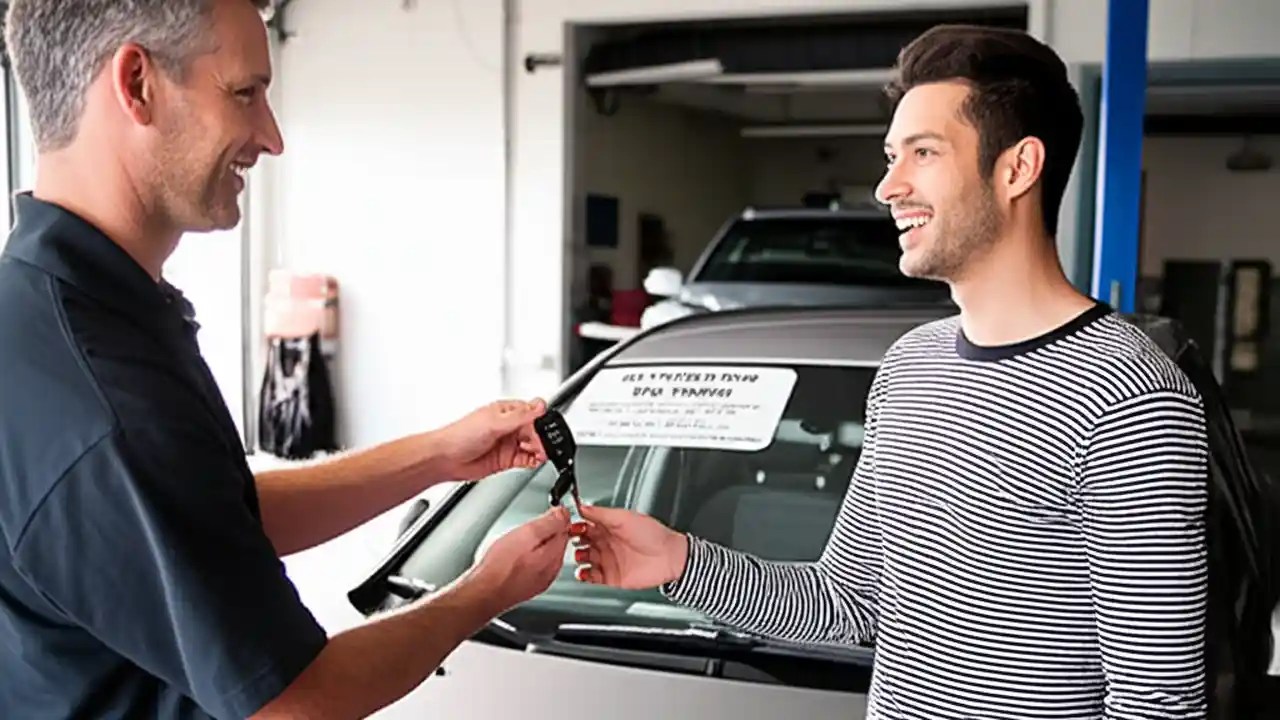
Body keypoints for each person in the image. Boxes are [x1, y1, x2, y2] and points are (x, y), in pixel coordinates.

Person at [570, 24, 1211, 720]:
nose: (887, 186)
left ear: (1018, 168)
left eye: (923, 154)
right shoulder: (911, 366)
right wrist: (681, 563)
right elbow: (849, 603)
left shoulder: (1131, 396)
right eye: (890, 156)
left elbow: (1158, 705)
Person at [0, 1, 570, 718]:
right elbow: (296, 705)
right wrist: (486, 589)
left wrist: (438, 455)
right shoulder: (107, 396)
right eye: (245, 92)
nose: (270, 137)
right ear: (137, 83)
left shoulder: (42, 312)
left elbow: (199, 521)